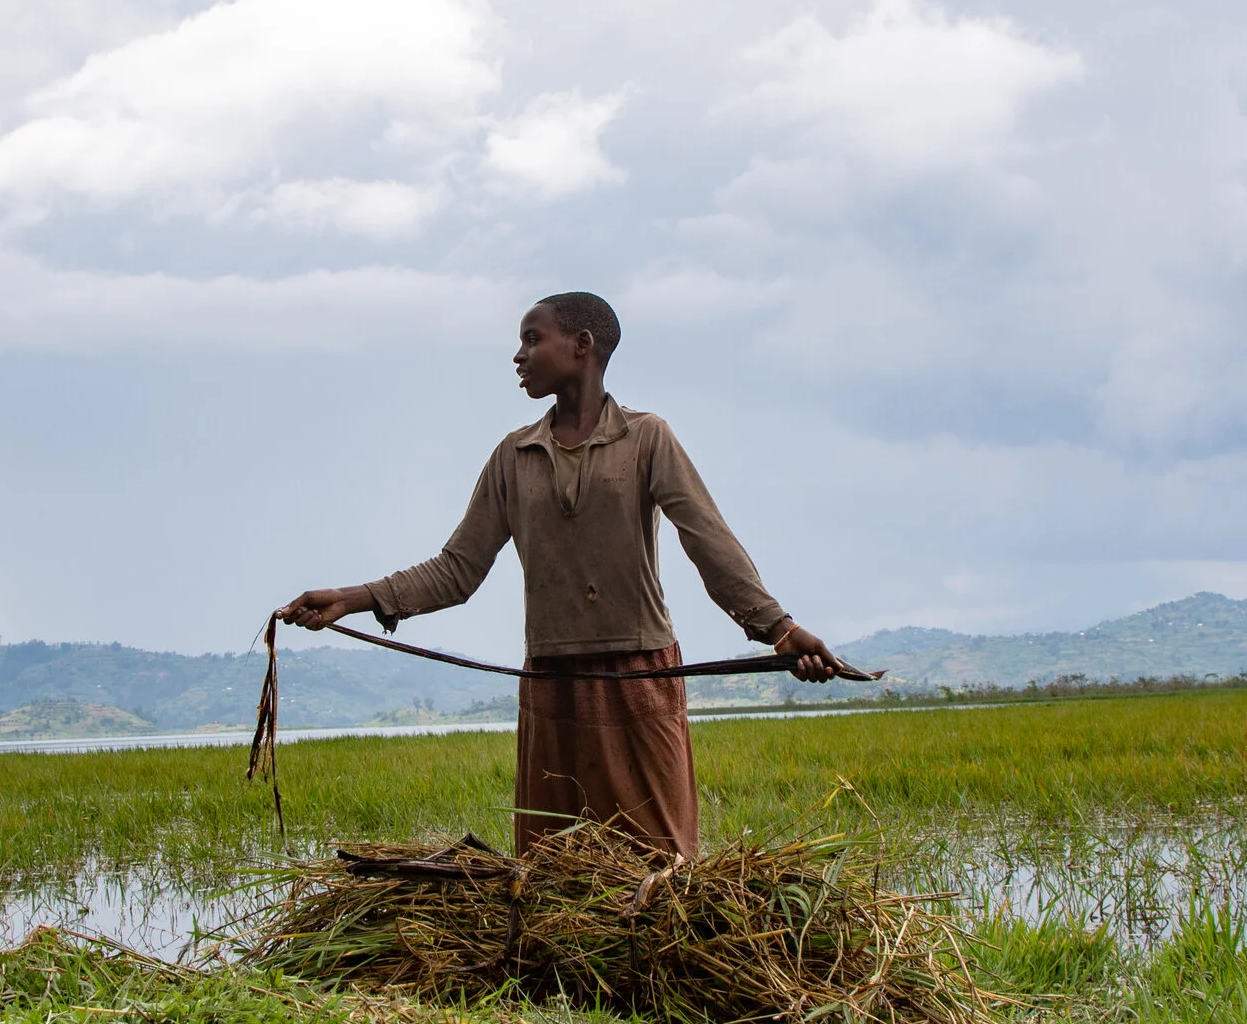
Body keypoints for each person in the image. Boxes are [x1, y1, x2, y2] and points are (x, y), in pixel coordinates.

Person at [277, 291, 838, 860]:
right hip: (550, 683)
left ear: (582, 345)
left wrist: (781, 632)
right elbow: (457, 570)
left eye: (531, 339)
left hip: (637, 677)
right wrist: (352, 599)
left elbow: (710, 545)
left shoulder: (647, 439)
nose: (518, 355)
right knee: (551, 874)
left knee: (659, 867)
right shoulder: (513, 455)